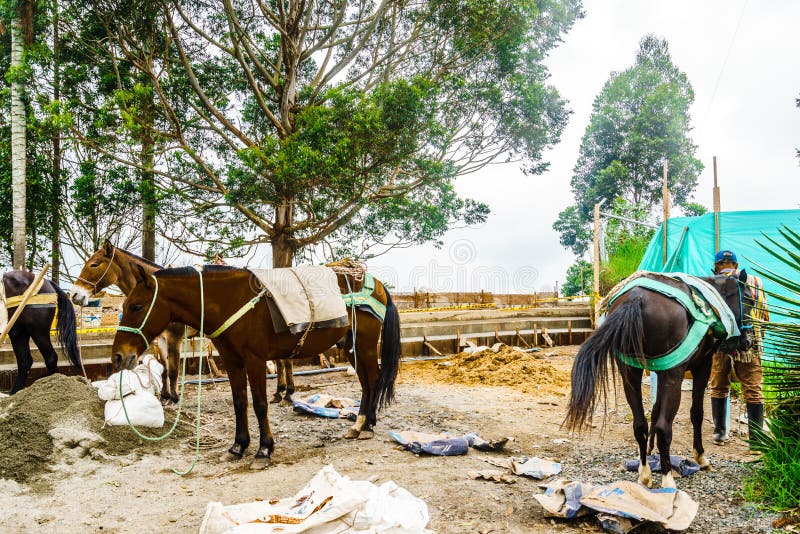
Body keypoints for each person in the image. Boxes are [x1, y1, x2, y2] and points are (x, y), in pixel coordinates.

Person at [709, 249, 770, 451]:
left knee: (719, 385)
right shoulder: (754, 281)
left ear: (717, 265)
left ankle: (719, 433)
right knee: (753, 389)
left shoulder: (711, 283)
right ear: (736, 264)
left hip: (721, 342)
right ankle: (755, 440)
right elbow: (764, 315)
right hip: (748, 341)